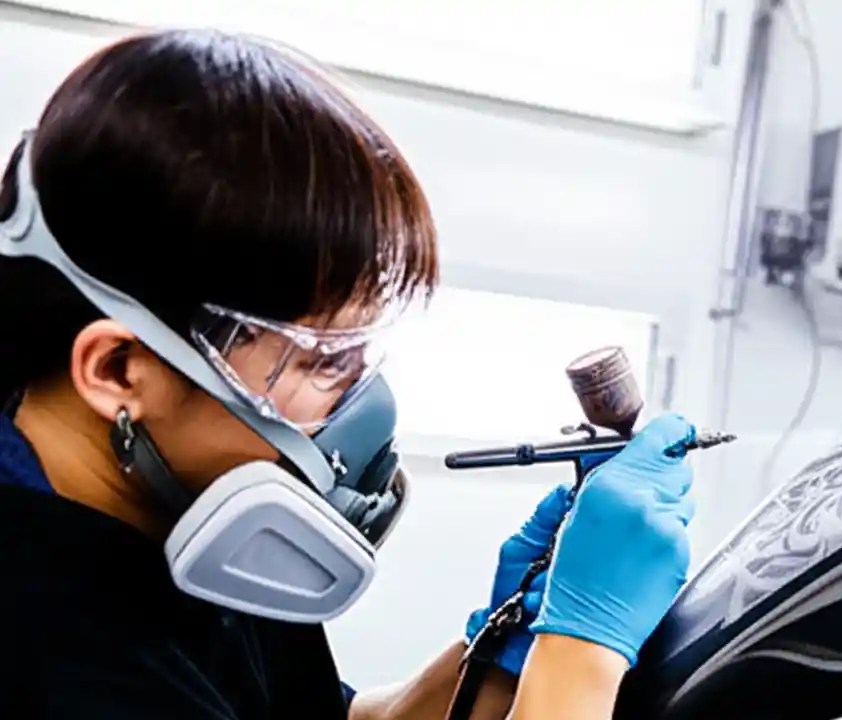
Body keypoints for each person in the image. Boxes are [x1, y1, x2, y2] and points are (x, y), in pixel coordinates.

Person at [0, 29, 696, 720]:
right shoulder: (41, 647)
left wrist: (503, 646)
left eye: (359, 351)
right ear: (119, 370)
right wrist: (581, 652)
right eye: (322, 361)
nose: (364, 403)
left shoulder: (183, 500)